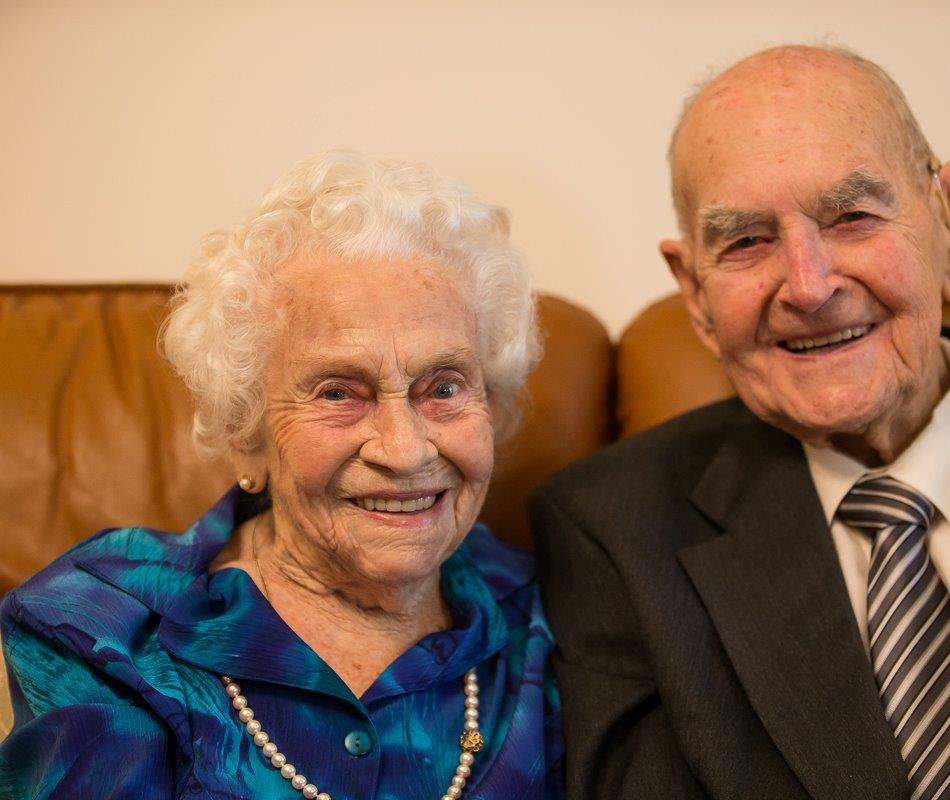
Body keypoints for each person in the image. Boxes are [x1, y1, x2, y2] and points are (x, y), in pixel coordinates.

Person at [531, 45, 950, 799]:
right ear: (694, 293)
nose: (809, 286)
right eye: (747, 241)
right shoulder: (611, 530)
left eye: (853, 216)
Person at [0, 150, 562, 799]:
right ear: (246, 433)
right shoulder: (102, 626)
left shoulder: (552, 616)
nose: (406, 451)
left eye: (444, 387)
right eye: (337, 392)